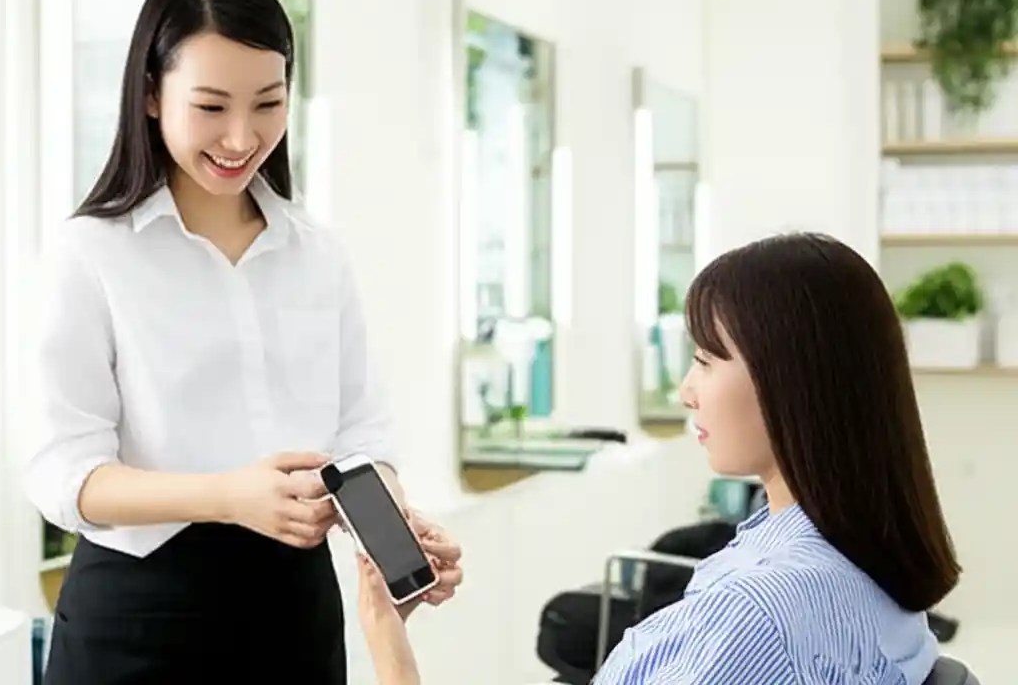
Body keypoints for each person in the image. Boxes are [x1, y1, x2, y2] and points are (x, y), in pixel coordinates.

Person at [24, 0, 462, 682]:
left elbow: (361, 439)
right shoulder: (91, 253)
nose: (241, 136)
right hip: (136, 619)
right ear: (149, 97)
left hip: (292, 615)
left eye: (268, 103)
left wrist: (395, 532)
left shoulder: (317, 253)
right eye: (210, 106)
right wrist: (227, 496)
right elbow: (62, 473)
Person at [357, 232, 960, 685]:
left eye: (704, 360)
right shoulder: (862, 552)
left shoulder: (756, 617)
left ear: (793, 382)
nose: (685, 391)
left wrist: (386, 638)